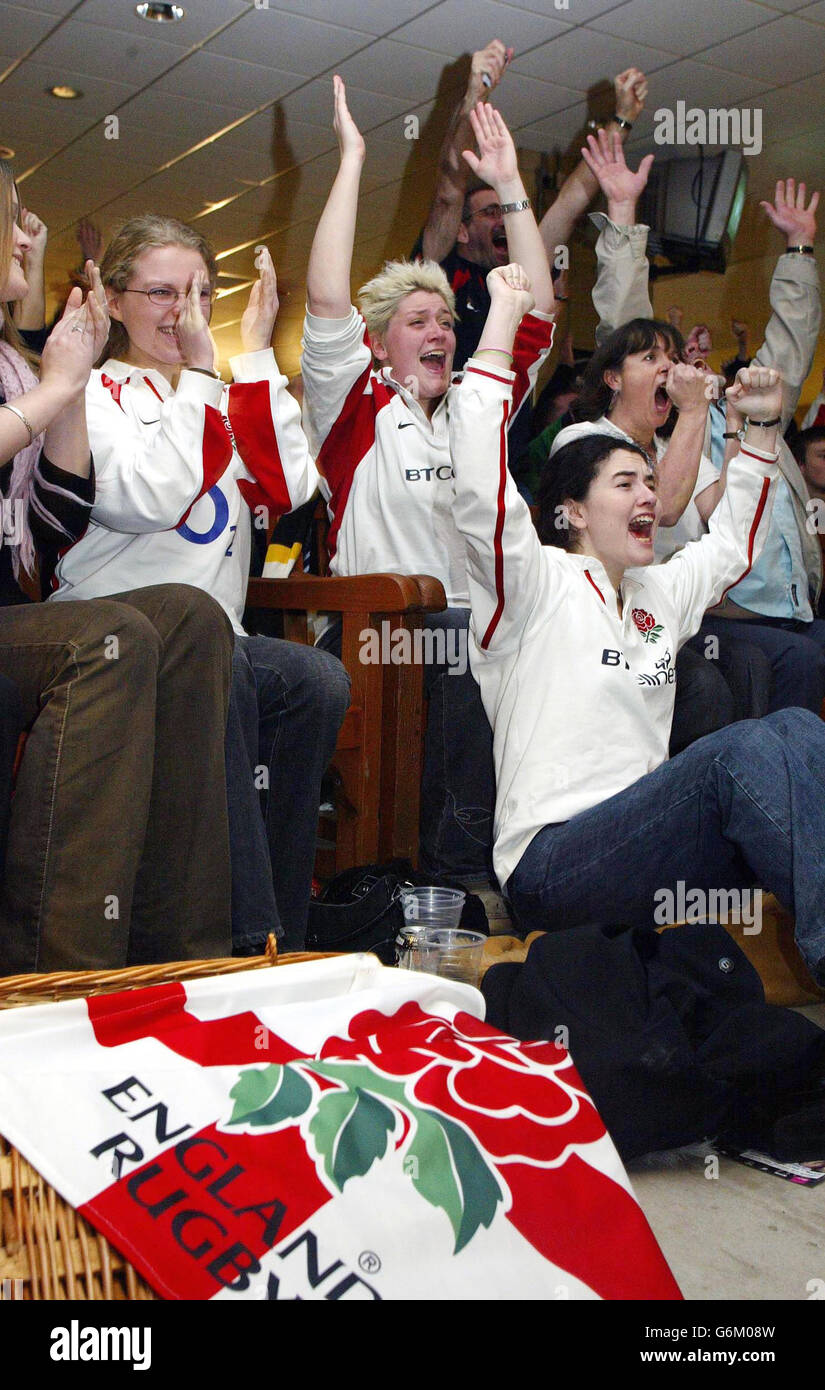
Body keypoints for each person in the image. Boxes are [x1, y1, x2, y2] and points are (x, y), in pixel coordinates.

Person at [449, 260, 825, 990]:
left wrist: (760, 424)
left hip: (648, 854)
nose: (648, 494)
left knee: (798, 729)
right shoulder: (530, 584)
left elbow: (730, 546)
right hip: (552, 869)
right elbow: (479, 486)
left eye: (649, 482)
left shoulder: (658, 592)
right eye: (625, 483)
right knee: (739, 750)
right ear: (575, 511)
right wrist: (500, 324)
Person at [49, 215, 350, 953]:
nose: (181, 310)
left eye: (199, 292)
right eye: (160, 292)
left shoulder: (216, 389)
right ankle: (246, 940)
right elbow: (145, 498)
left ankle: (285, 927)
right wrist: (204, 385)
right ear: (114, 301)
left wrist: (250, 358)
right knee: (219, 656)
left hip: (218, 643)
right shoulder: (90, 391)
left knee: (316, 680)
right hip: (117, 636)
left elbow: (291, 486)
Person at [301, 78, 554, 885]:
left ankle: (486, 881)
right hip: (377, 634)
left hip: (468, 632)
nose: (440, 330)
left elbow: (538, 313)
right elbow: (327, 296)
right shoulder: (356, 405)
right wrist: (352, 158)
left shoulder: (478, 409)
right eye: (418, 322)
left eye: (446, 319)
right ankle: (448, 885)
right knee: (464, 668)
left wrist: (512, 188)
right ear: (378, 346)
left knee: (525, 661)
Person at [0, 159, 235, 973]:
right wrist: (61, 388)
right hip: (69, 615)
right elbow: (136, 503)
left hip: (30, 606)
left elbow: (57, 511)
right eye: (15, 219)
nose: (32, 231)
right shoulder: (68, 380)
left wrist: (58, 387)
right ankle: (62, 969)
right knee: (115, 634)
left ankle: (184, 955)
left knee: (196, 621)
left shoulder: (17, 360)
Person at [416, 43, 646, 370]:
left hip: (511, 417)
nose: (503, 220)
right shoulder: (439, 270)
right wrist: (474, 98)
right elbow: (451, 182)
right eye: (491, 212)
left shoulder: (521, 270)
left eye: (505, 211)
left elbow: (572, 199)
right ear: (462, 231)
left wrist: (623, 119)